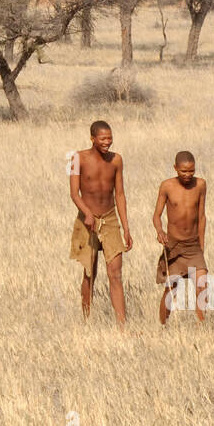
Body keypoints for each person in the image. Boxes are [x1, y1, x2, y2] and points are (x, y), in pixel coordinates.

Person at [69, 120, 132, 327]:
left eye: (110, 138)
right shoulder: (77, 158)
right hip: (87, 221)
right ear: (92, 138)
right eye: (103, 138)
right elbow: (74, 193)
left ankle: (122, 327)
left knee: (115, 273)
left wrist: (126, 227)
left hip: (110, 219)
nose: (108, 142)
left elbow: (120, 194)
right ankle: (87, 321)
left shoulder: (116, 161)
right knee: (89, 272)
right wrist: (87, 213)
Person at [153, 152, 208, 325]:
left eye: (191, 171)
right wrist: (160, 231)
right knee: (171, 289)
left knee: (202, 285)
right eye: (183, 171)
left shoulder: (200, 185)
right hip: (174, 245)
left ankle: (202, 327)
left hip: (193, 246)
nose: (187, 175)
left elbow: (202, 217)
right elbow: (156, 215)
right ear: (175, 168)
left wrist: (201, 245)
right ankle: (163, 326)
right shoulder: (167, 186)